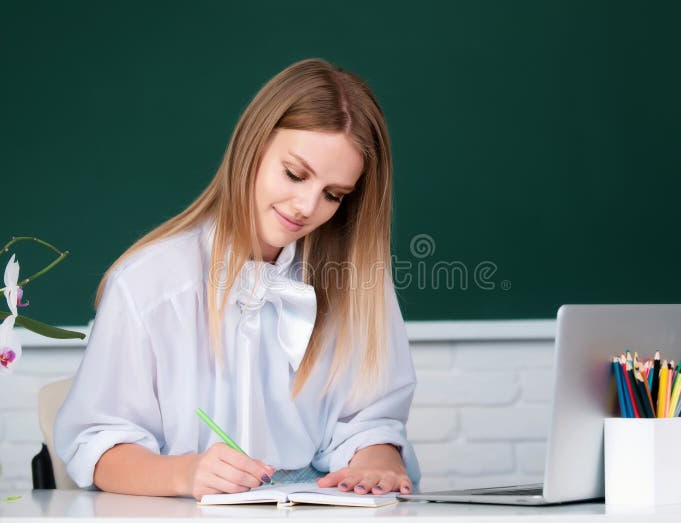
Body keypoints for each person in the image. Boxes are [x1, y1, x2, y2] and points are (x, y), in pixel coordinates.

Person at [55, 58, 421, 500]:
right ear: (253, 146)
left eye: (333, 195)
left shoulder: (359, 284)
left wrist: (377, 462)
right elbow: (99, 445)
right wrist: (185, 474)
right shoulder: (148, 286)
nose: (307, 206)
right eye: (294, 174)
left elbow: (372, 421)